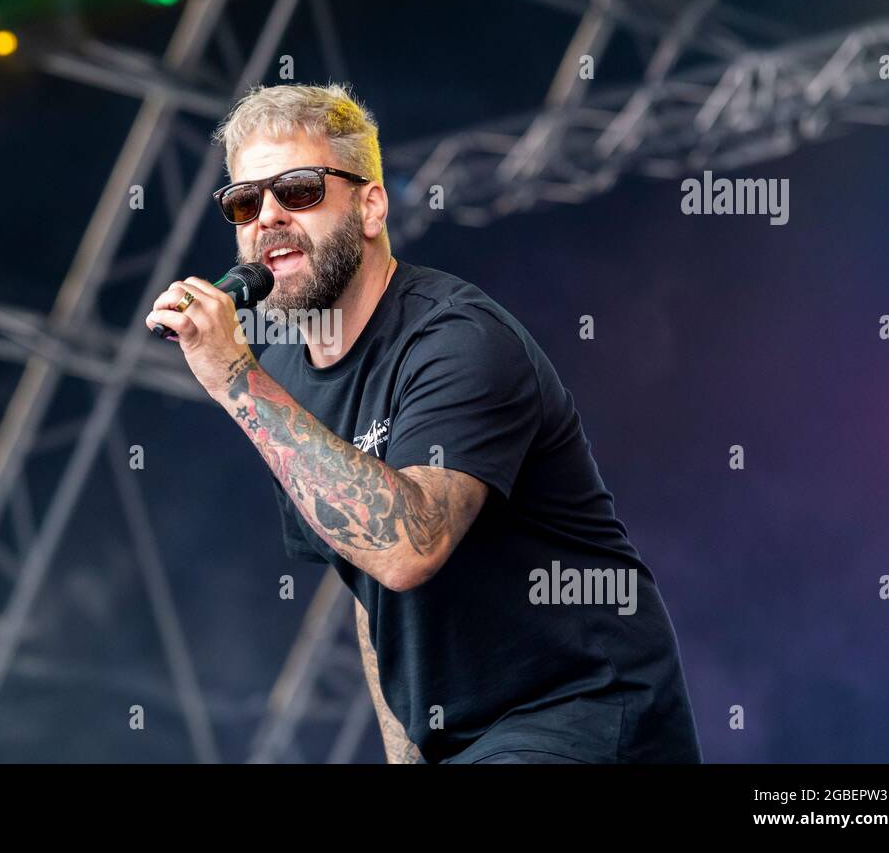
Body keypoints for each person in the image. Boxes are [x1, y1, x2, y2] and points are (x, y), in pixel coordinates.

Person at [144, 83, 702, 764]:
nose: (267, 217)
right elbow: (366, 571)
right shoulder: (285, 374)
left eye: (298, 191)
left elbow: (409, 545)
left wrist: (235, 377)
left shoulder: (455, 338)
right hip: (465, 743)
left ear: (371, 205)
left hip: (583, 708)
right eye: (244, 201)